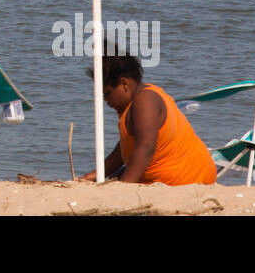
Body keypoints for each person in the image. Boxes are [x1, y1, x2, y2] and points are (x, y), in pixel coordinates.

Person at [81, 54, 217, 185]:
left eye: (107, 93)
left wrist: (122, 189)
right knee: (116, 176)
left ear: (124, 84)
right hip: (184, 174)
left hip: (187, 179)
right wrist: (96, 174)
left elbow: (145, 148)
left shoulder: (145, 100)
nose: (105, 100)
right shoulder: (137, 99)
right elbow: (126, 146)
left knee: (120, 179)